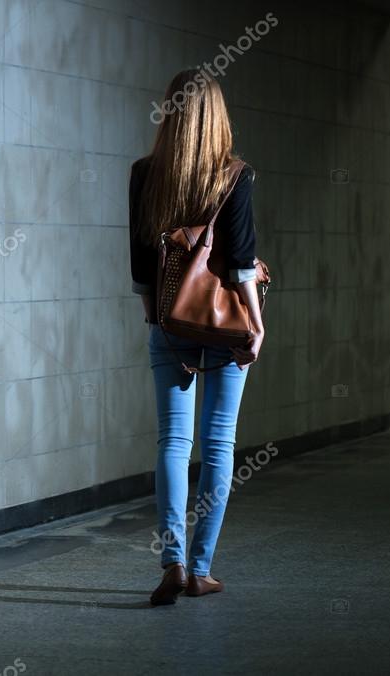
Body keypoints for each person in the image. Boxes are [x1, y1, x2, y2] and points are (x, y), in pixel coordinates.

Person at [128, 69, 265, 606]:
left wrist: (158, 321)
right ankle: (201, 569)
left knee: (172, 442)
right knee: (218, 443)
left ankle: (172, 561)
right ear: (217, 117)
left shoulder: (144, 175)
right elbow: (239, 264)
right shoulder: (234, 175)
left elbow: (141, 266)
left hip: (168, 323)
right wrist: (255, 325)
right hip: (227, 324)